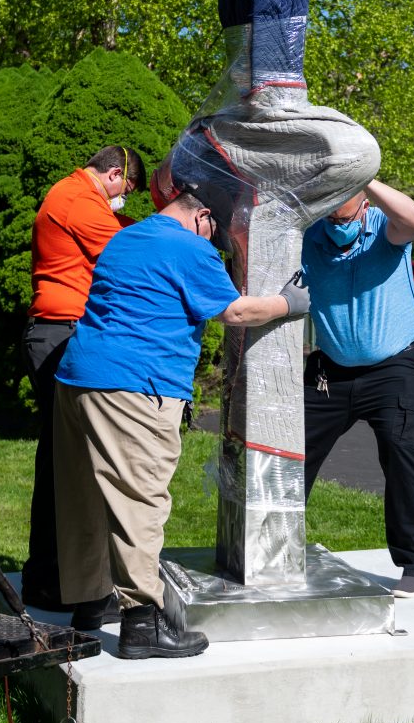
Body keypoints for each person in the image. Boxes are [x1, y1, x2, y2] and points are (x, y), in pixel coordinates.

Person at [52, 181, 307, 657]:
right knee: (139, 500)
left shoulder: (125, 237)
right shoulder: (190, 247)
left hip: (77, 379)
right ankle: (143, 626)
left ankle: (89, 608)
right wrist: (288, 304)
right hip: (135, 386)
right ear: (202, 216)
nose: (216, 242)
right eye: (216, 232)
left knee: (85, 498)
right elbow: (236, 311)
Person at [19, 145, 146, 611]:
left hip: (59, 334)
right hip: (61, 335)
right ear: (114, 173)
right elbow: (127, 255)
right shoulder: (79, 198)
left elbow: (119, 232)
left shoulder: (76, 197)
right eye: (128, 189)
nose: (124, 199)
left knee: (63, 462)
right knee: (68, 467)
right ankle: (58, 585)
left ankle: (54, 579)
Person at [299, 178, 414, 596]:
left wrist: (363, 174)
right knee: (289, 451)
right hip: (332, 370)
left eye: (346, 214)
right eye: (331, 215)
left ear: (363, 201)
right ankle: (271, 545)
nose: (338, 223)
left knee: (399, 450)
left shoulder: (383, 226)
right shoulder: (310, 237)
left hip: (395, 365)